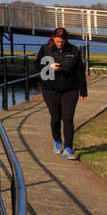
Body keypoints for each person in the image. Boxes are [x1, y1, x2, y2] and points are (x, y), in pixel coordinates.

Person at [37, 27, 88, 159]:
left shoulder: (73, 50)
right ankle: (57, 140)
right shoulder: (45, 49)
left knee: (68, 118)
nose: (60, 44)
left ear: (66, 39)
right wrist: (49, 67)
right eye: (58, 41)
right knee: (55, 118)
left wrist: (83, 90)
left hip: (70, 89)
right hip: (50, 89)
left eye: (62, 41)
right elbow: (37, 66)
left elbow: (79, 71)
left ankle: (68, 148)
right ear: (53, 38)